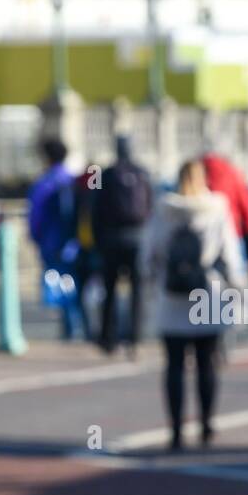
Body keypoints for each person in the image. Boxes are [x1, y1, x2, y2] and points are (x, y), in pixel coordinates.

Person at [141, 158, 248, 452]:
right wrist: (238, 289)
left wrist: (153, 283)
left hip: (171, 294)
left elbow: (149, 253)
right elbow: (230, 253)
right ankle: (206, 425)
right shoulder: (217, 208)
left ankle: (176, 430)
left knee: (174, 365)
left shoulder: (164, 210)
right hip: (207, 294)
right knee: (206, 363)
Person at [92, 135, 153, 354]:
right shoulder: (143, 173)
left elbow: (94, 208)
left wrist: (97, 241)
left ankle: (108, 339)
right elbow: (151, 206)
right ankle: (135, 337)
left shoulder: (103, 174)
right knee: (138, 291)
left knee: (109, 291)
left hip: (110, 240)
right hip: (137, 239)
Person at [28, 138, 87, 340]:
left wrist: (36, 238)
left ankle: (71, 329)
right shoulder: (72, 180)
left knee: (61, 287)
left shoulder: (44, 183)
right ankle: (79, 327)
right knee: (74, 284)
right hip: (75, 242)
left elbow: (36, 216)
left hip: (52, 242)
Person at [202, 152, 248, 255]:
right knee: (236, 268)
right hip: (231, 232)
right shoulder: (232, 173)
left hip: (203, 234)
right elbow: (246, 203)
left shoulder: (198, 172)